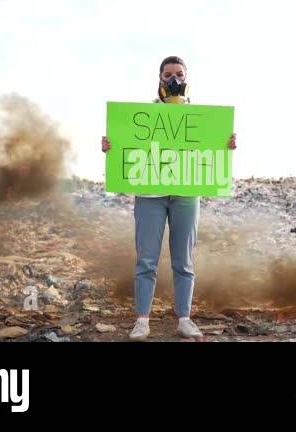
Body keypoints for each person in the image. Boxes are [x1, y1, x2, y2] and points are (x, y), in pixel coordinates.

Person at [102, 56, 237, 340]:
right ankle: (142, 320)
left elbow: (211, 151)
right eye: (168, 75)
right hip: (150, 195)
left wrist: (226, 144)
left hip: (186, 195)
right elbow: (125, 148)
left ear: (187, 79)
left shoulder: (202, 119)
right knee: (146, 260)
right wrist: (110, 147)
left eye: (178, 74)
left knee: (184, 260)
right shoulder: (141, 117)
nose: (174, 80)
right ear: (159, 79)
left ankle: (184, 319)